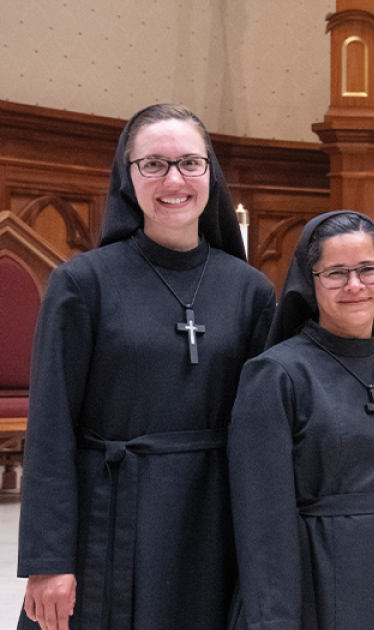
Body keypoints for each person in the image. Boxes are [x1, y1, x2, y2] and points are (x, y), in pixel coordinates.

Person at [17, 104, 276, 630]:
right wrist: (48, 560)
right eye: (153, 164)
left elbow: (264, 433)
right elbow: (50, 426)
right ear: (127, 178)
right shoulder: (82, 283)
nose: (173, 179)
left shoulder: (251, 291)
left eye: (189, 163)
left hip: (211, 522)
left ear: (211, 175)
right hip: (111, 513)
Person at [227, 210, 374, 630]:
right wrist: (273, 620)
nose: (355, 285)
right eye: (336, 273)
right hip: (314, 580)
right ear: (310, 283)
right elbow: (261, 519)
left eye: (368, 269)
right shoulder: (276, 373)